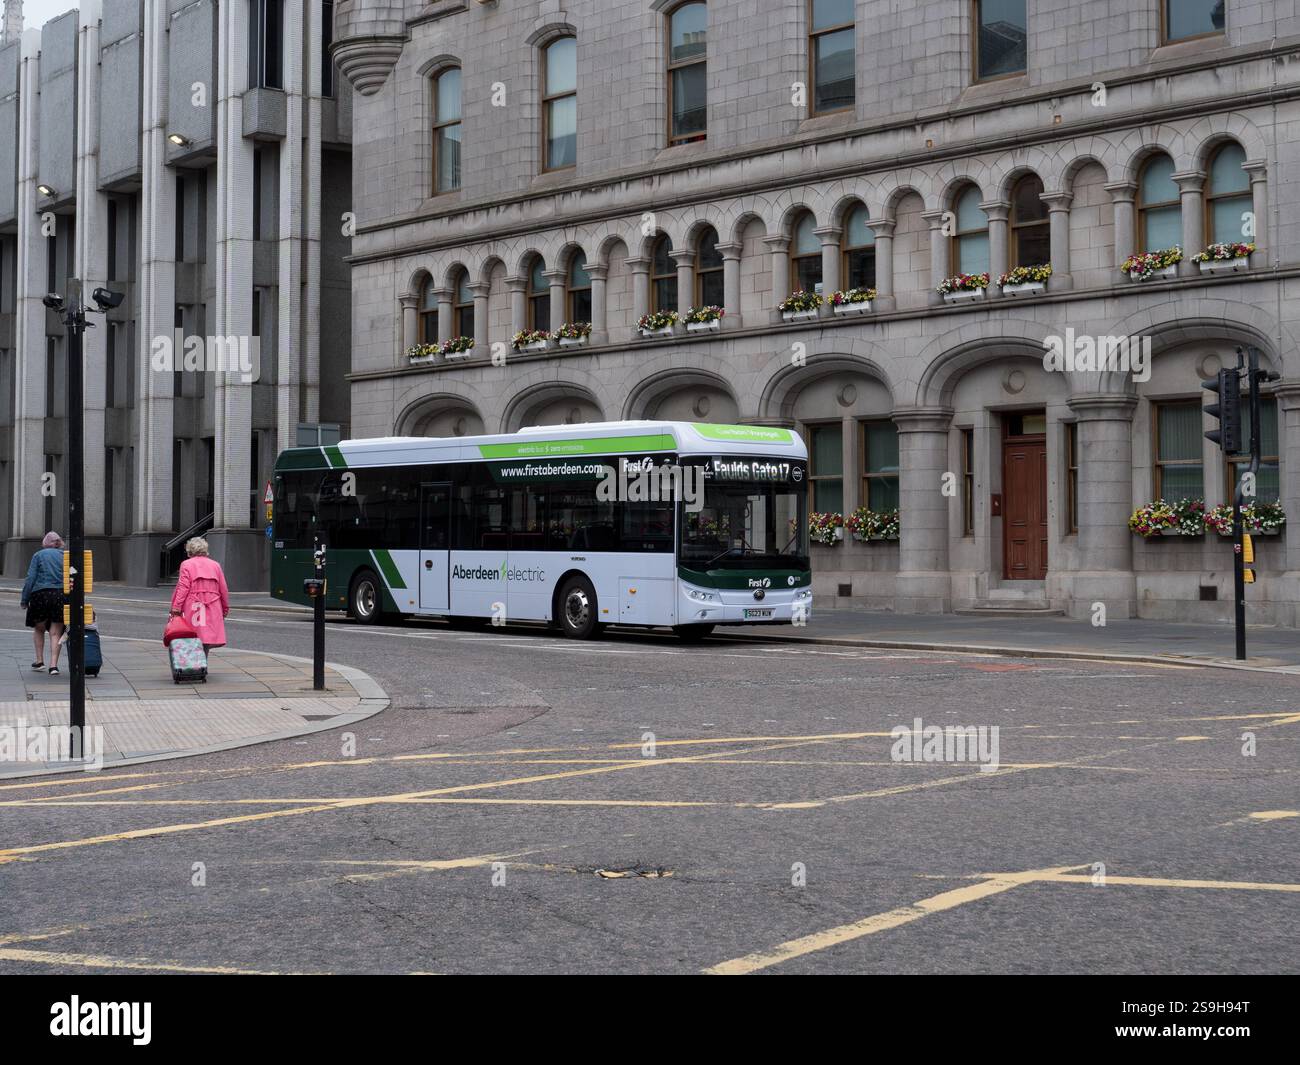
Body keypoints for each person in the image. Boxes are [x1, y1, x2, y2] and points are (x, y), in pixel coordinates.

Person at [169, 537, 230, 659]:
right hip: (213, 604)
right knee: (206, 636)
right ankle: (203, 664)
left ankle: (193, 664)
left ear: (190, 551)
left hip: (193, 604)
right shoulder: (215, 565)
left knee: (192, 634)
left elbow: (183, 587)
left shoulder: (186, 564)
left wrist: (176, 607)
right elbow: (223, 588)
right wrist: (225, 608)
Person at [21, 531, 66, 675]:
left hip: (40, 595)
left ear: (45, 542)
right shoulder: (65, 556)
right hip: (60, 595)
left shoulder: (38, 555)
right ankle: (54, 666)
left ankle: (39, 661)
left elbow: (30, 578)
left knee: (39, 629)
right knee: (55, 632)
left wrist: (25, 599)